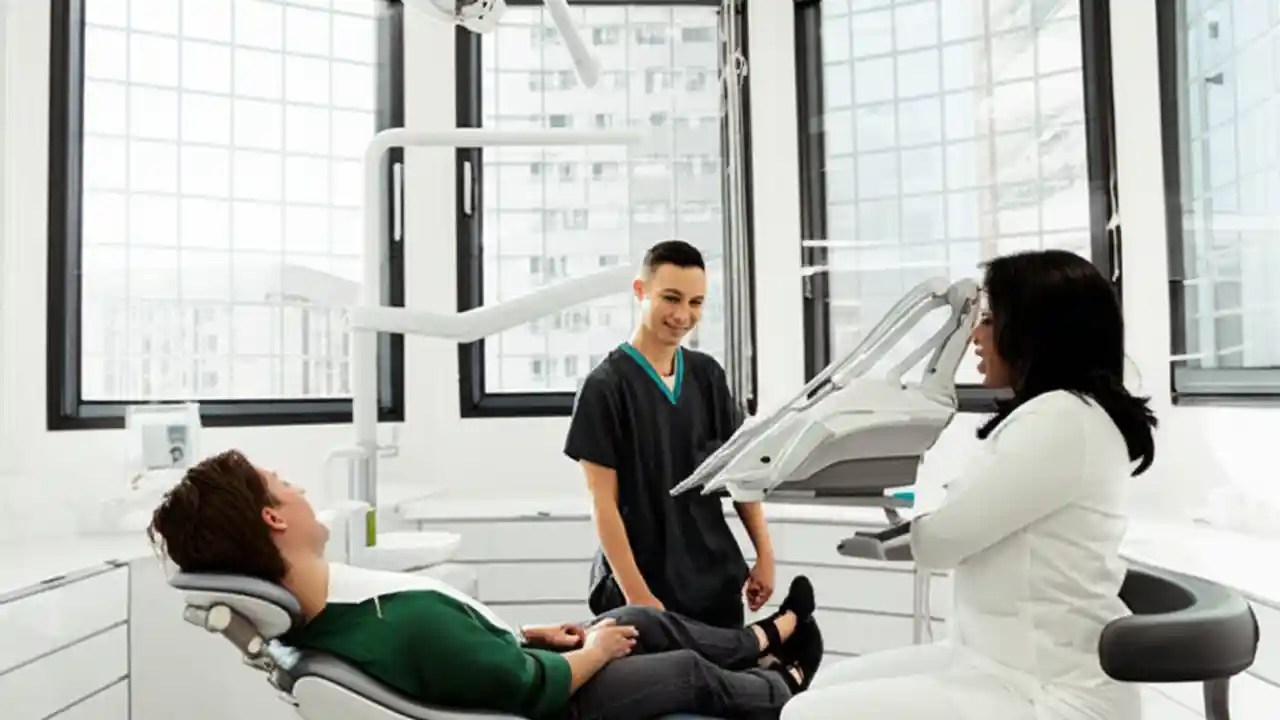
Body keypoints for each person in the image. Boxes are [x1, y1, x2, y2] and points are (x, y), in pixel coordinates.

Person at [147, 449, 825, 720]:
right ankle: (783, 687)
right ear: (273, 518)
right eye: (282, 485)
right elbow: (526, 685)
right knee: (679, 670)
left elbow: (462, 654)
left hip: (523, 667)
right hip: (551, 703)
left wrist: (529, 634)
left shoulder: (337, 611)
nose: (296, 488)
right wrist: (588, 654)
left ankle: (760, 637)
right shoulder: (386, 623)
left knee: (638, 619)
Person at [782, 250, 1158, 720]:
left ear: (1034, 330)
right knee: (822, 689)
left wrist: (917, 531)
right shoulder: (1063, 416)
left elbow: (943, 541)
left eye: (989, 319)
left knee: (809, 715)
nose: (976, 336)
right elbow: (964, 522)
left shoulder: (1062, 419)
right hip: (992, 661)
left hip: (1048, 691)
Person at [564, 239, 775, 629]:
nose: (683, 315)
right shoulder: (604, 387)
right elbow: (603, 504)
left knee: (730, 688)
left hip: (713, 584)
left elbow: (741, 473)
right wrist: (636, 596)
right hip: (645, 586)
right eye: (671, 298)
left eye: (695, 303)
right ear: (640, 291)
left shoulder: (707, 376)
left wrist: (764, 555)